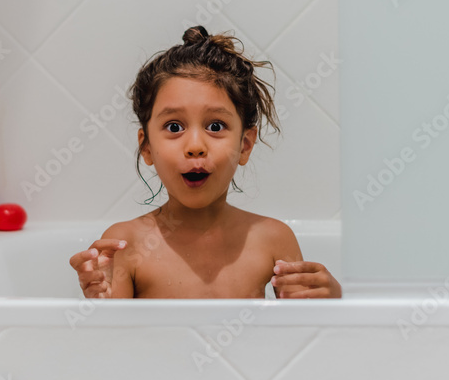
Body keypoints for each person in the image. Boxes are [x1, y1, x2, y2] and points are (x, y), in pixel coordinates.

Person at [68, 26, 341, 299]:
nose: (195, 147)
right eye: (174, 127)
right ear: (146, 146)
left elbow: (298, 331)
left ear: (244, 145)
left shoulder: (272, 240)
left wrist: (328, 300)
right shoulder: (125, 244)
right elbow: (115, 338)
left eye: (215, 125)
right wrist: (100, 298)